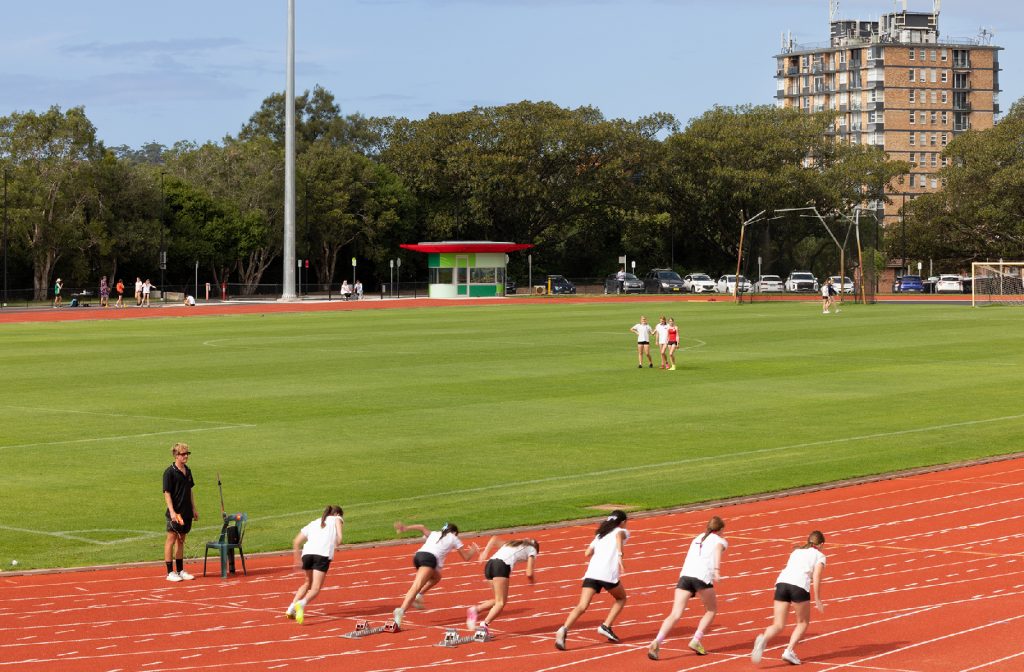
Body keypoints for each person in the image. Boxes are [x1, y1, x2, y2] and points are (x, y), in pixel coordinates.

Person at [647, 516, 728, 660]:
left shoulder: (697, 537)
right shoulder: (720, 540)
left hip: (685, 576)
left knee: (675, 614)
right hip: (702, 577)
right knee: (711, 610)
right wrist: (717, 569)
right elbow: (717, 549)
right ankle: (696, 640)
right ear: (720, 529)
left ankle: (657, 641)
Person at [554, 510, 629, 651]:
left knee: (582, 605)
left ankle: (564, 629)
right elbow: (619, 536)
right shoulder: (621, 531)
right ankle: (606, 626)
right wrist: (619, 555)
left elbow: (587, 553)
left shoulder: (600, 535)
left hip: (592, 573)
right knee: (621, 598)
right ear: (623, 522)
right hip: (607, 574)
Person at [751, 530, 827, 666]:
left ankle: (764, 639)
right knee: (803, 622)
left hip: (781, 583)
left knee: (778, 624)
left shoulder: (796, 551)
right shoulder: (820, 556)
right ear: (821, 544)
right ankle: (789, 650)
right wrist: (818, 598)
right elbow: (816, 576)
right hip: (799, 586)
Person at [392, 520, 479, 628]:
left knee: (436, 577)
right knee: (415, 587)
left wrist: (405, 528)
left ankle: (419, 595)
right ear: (455, 532)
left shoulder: (434, 533)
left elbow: (421, 526)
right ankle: (401, 610)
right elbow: (466, 557)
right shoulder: (454, 537)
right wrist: (473, 550)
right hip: (429, 559)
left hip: (418, 556)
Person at [466, 536, 540, 638]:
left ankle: (475, 610)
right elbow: (529, 573)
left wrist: (485, 553)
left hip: (489, 565)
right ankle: (484, 626)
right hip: (501, 566)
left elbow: (494, 539)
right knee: (501, 603)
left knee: (497, 599)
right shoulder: (532, 549)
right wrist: (532, 581)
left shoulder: (512, 543)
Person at [286, 505, 345, 624]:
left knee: (307, 583)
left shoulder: (314, 522)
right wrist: (335, 543)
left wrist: (297, 560)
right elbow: (339, 539)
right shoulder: (337, 519)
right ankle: (301, 604)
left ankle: (291, 608)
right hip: (321, 554)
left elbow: (296, 541)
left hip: (307, 554)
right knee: (316, 588)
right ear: (337, 514)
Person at [162, 443, 199, 582]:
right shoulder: (169, 472)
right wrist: (172, 512)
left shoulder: (188, 471)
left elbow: (190, 490)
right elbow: (167, 493)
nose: (186, 456)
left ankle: (180, 570)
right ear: (176, 455)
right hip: (175, 513)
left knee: (181, 540)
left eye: (187, 454)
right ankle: (170, 572)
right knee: (171, 540)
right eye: (184, 454)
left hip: (186, 512)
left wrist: (194, 508)